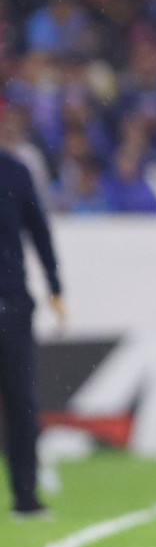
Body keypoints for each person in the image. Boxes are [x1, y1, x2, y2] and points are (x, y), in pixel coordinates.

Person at [0, 148, 66, 518]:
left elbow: (38, 228)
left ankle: (26, 497)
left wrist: (55, 284)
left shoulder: (13, 171)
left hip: (12, 304)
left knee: (21, 402)